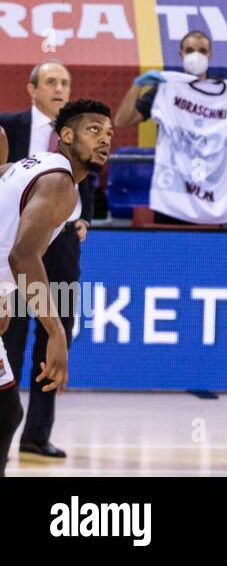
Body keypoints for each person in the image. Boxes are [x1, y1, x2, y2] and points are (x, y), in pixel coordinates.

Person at [0, 99, 113, 477]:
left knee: (6, 412)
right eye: (93, 130)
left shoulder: (32, 164)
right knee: (5, 414)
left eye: (109, 133)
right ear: (66, 135)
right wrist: (56, 331)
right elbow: (22, 256)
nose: (104, 139)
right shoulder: (60, 182)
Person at [114, 30, 227, 225]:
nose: (195, 55)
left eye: (202, 50)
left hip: (213, 196)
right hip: (173, 195)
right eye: (189, 50)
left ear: (210, 55)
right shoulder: (165, 89)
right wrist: (137, 86)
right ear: (180, 54)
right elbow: (121, 121)